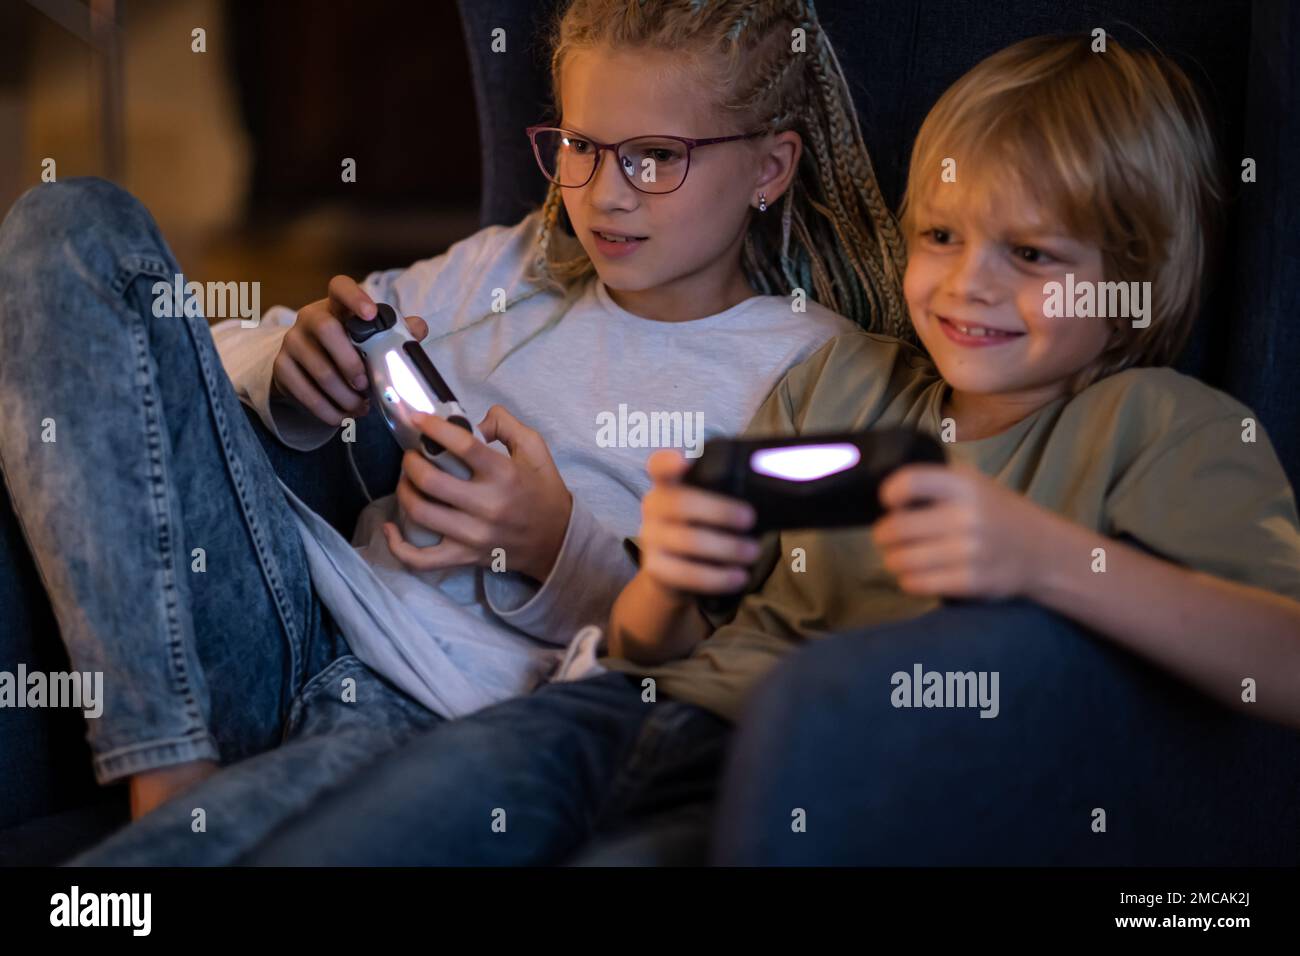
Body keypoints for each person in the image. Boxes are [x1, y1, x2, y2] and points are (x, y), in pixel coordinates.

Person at [236, 33, 1300, 866]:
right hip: (622, 707)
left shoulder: (1161, 423)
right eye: (938, 236)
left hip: (792, 766)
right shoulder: (845, 381)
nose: (965, 283)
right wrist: (668, 579)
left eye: (1027, 252)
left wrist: (1048, 559)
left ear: (1133, 280)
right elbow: (659, 636)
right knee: (362, 842)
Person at [0, 0, 899, 864]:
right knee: (67, 222)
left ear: (770, 168)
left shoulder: (821, 368)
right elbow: (203, 345)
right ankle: (166, 759)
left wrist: (550, 544)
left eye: (655, 157)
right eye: (580, 147)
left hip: (436, 711)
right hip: (288, 614)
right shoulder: (508, 266)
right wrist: (289, 371)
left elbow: (733, 651)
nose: (604, 196)